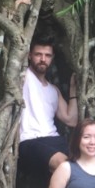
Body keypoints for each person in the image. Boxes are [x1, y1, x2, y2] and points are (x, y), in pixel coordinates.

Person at [19, 36, 78, 178]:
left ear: (52, 58)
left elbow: (71, 120)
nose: (43, 59)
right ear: (29, 55)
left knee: (84, 165)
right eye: (38, 54)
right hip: (30, 141)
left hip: (54, 139)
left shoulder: (54, 90)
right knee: (64, 166)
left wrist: (73, 89)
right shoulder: (23, 77)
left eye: (47, 55)